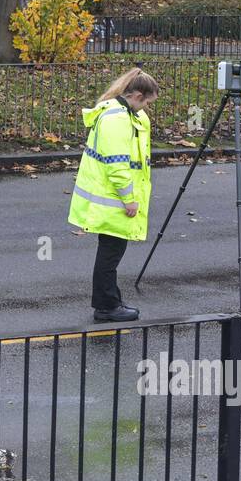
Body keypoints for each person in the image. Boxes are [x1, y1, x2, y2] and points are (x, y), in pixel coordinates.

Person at [68, 67, 159, 322]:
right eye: (147, 103)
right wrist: (129, 199)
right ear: (138, 95)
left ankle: (109, 301)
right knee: (110, 254)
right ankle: (107, 306)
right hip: (113, 199)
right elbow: (118, 166)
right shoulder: (118, 119)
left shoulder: (118, 113)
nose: (146, 109)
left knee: (110, 252)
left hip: (107, 197)